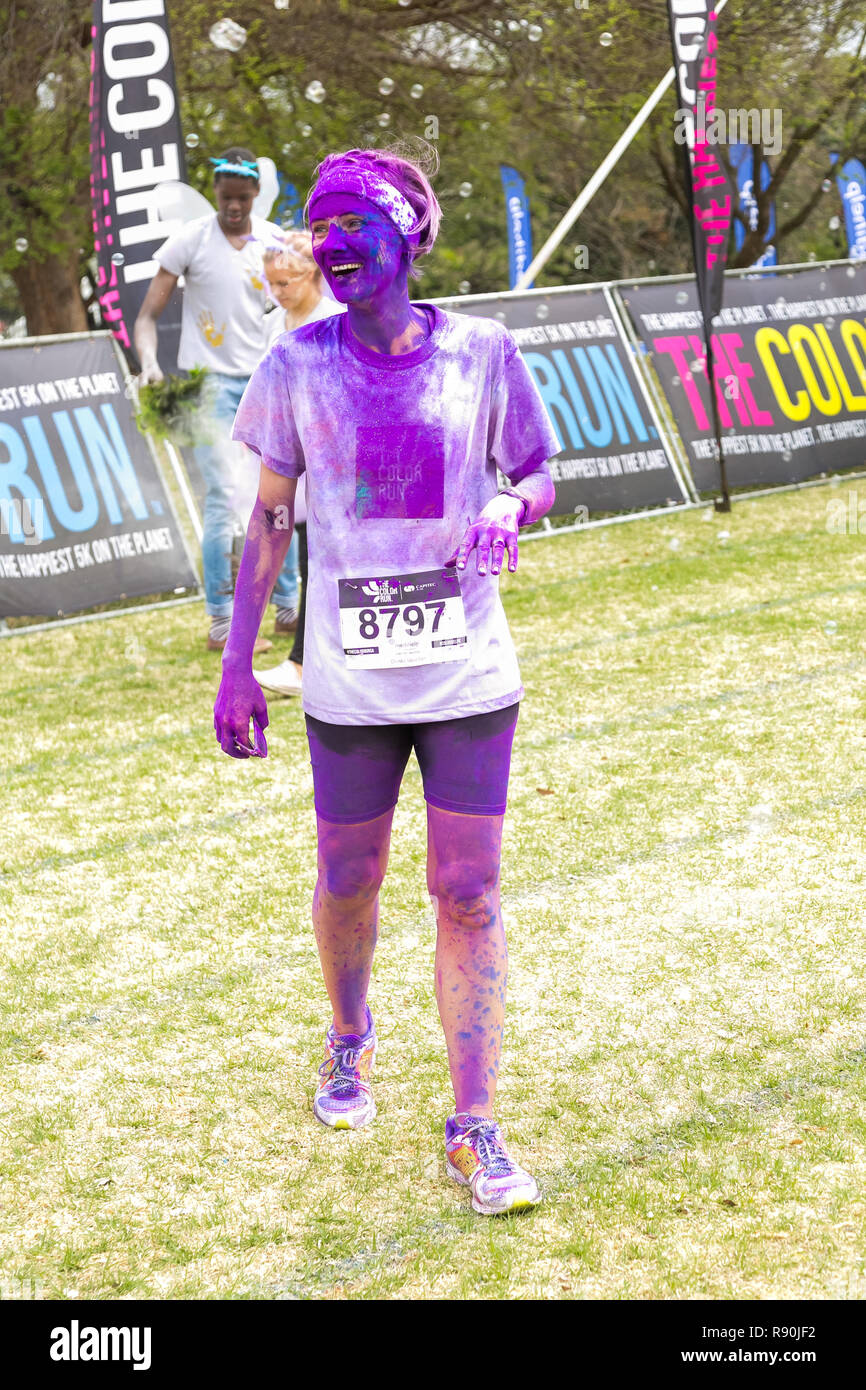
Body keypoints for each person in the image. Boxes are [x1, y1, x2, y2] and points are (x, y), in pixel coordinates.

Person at [213, 143, 560, 1217]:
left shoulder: (483, 351)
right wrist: (236, 668)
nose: (330, 240)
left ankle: (473, 1124)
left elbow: (538, 469)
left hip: (465, 669)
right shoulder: (297, 364)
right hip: (348, 685)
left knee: (466, 890)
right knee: (350, 879)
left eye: (352, 219)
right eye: (318, 222)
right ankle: (348, 1039)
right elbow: (270, 515)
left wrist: (509, 506)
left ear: (407, 231)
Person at [133, 146, 299, 653]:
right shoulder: (190, 241)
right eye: (225, 197)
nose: (232, 206)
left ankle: (289, 605)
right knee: (224, 500)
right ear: (216, 193)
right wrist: (150, 363)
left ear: (254, 194)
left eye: (241, 198)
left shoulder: (273, 241)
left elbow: (299, 302)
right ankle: (221, 620)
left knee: (280, 493)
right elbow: (145, 318)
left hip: (266, 381)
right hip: (210, 387)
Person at [252, 232, 345, 698]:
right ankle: (308, 662)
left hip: (331, 460)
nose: (277, 291)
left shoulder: (333, 320)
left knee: (324, 560)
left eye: (284, 281)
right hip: (294, 456)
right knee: (312, 558)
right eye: (270, 283)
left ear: (310, 273)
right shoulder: (276, 322)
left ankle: (304, 664)